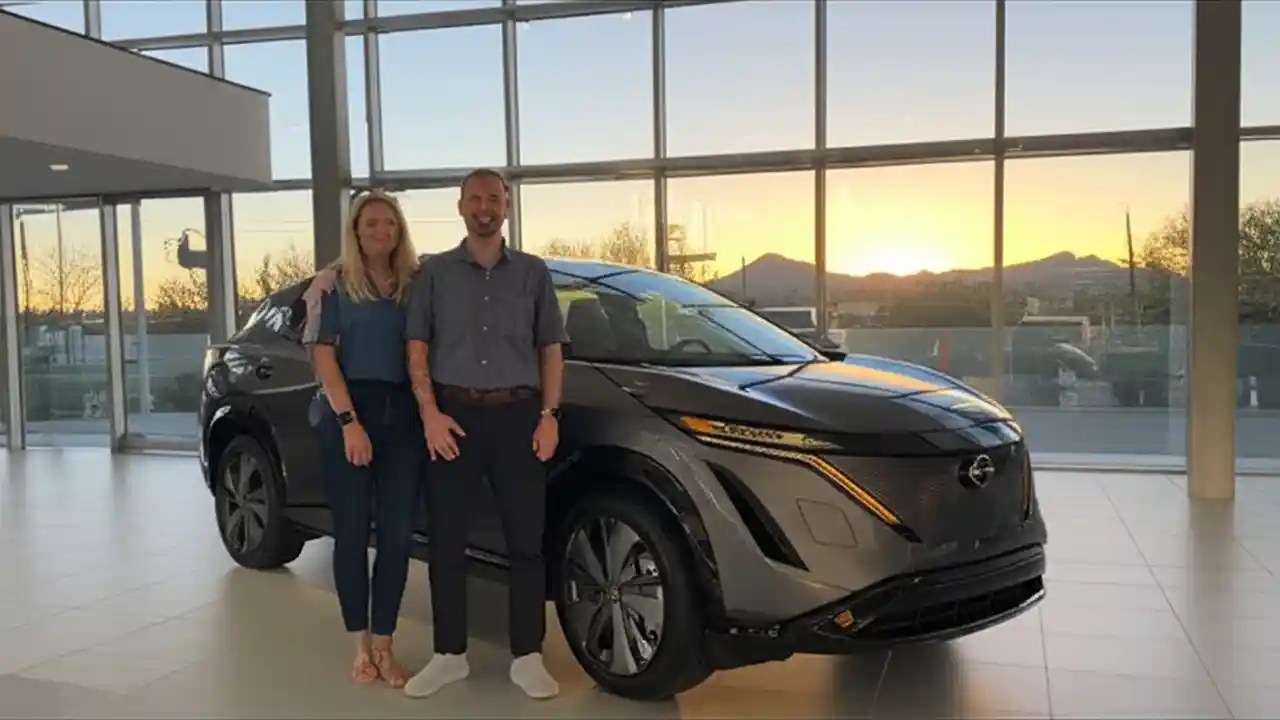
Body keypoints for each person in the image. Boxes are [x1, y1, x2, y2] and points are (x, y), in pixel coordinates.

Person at [402, 168, 568, 701]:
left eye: (493, 198)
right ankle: (449, 654)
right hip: (451, 418)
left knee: (526, 542)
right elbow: (417, 347)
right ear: (460, 207)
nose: (484, 206)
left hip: (519, 418)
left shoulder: (534, 273)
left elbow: (551, 350)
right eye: (475, 198)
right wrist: (428, 412)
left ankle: (528, 657)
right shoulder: (435, 273)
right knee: (447, 541)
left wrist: (550, 415)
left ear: (507, 206)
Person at [306, 189, 422, 688]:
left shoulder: (412, 285)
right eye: (372, 224)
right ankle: (359, 647)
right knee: (352, 535)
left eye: (390, 225)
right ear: (356, 230)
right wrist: (350, 420)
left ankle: (385, 645)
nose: (382, 232)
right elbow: (323, 356)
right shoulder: (334, 283)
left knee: (396, 537)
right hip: (351, 414)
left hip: (404, 418)